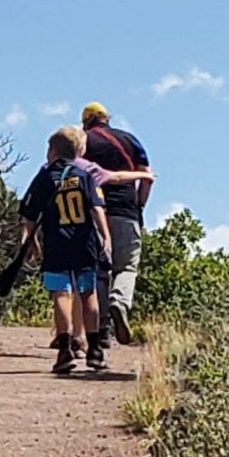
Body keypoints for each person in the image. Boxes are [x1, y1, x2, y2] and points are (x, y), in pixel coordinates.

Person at [17, 126, 114, 376]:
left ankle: (65, 350)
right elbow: (97, 208)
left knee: (61, 293)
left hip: (56, 242)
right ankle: (94, 349)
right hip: (85, 242)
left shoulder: (45, 177)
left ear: (52, 151)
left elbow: (29, 214)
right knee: (88, 293)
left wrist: (29, 239)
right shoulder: (84, 176)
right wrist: (106, 237)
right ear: (80, 151)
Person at [80, 101, 152, 346]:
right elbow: (147, 177)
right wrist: (139, 205)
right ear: (106, 118)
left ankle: (101, 330)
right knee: (127, 267)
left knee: (99, 271)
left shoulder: (83, 140)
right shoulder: (130, 140)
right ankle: (119, 302)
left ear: (87, 121)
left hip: (93, 213)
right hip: (126, 211)